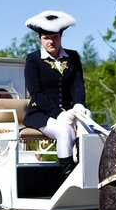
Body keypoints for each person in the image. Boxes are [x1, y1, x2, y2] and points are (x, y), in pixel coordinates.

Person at [23, 9, 95, 176]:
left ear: (61, 37)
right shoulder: (33, 59)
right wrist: (58, 114)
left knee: (87, 120)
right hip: (41, 113)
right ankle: (67, 176)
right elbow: (36, 92)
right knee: (64, 130)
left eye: (55, 37)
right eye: (46, 38)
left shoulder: (73, 57)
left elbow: (78, 85)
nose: (51, 42)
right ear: (39, 38)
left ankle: (86, 171)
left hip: (71, 110)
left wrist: (79, 105)